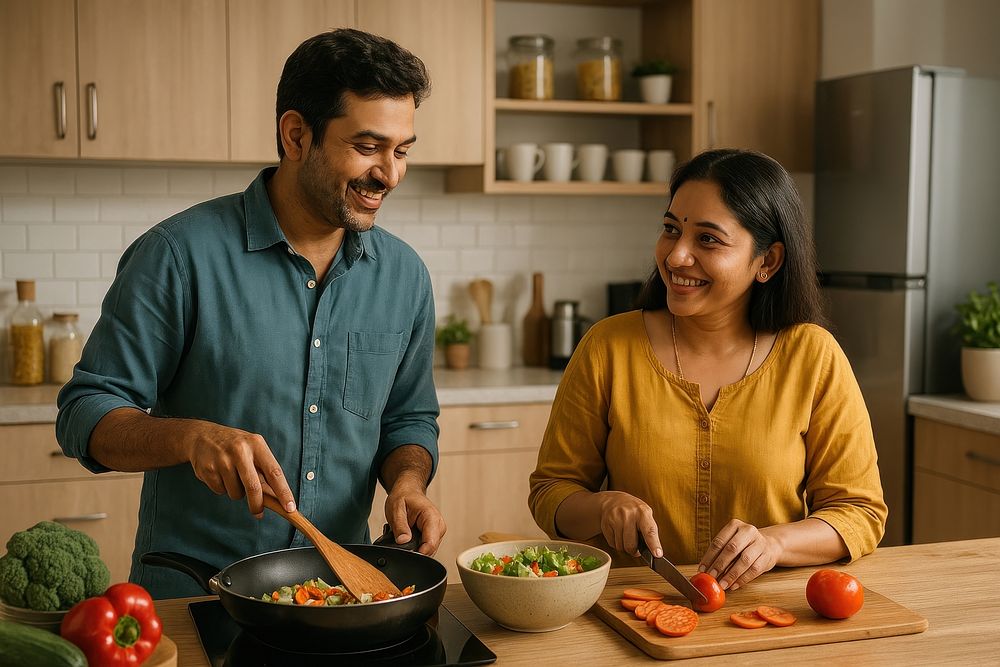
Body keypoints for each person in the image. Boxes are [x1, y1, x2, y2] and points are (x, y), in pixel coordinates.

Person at [56, 29, 446, 598]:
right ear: (295, 135)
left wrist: (407, 484)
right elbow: (84, 413)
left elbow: (408, 420)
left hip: (339, 592)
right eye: (367, 147)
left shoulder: (404, 276)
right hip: (195, 592)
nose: (389, 174)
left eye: (402, 149)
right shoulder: (178, 256)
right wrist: (190, 438)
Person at [529, 149, 887, 592]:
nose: (677, 256)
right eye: (670, 230)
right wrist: (603, 506)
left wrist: (774, 544)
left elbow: (859, 512)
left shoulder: (813, 356)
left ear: (767, 262)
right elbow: (552, 492)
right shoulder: (608, 347)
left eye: (708, 239)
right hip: (636, 609)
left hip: (770, 615)